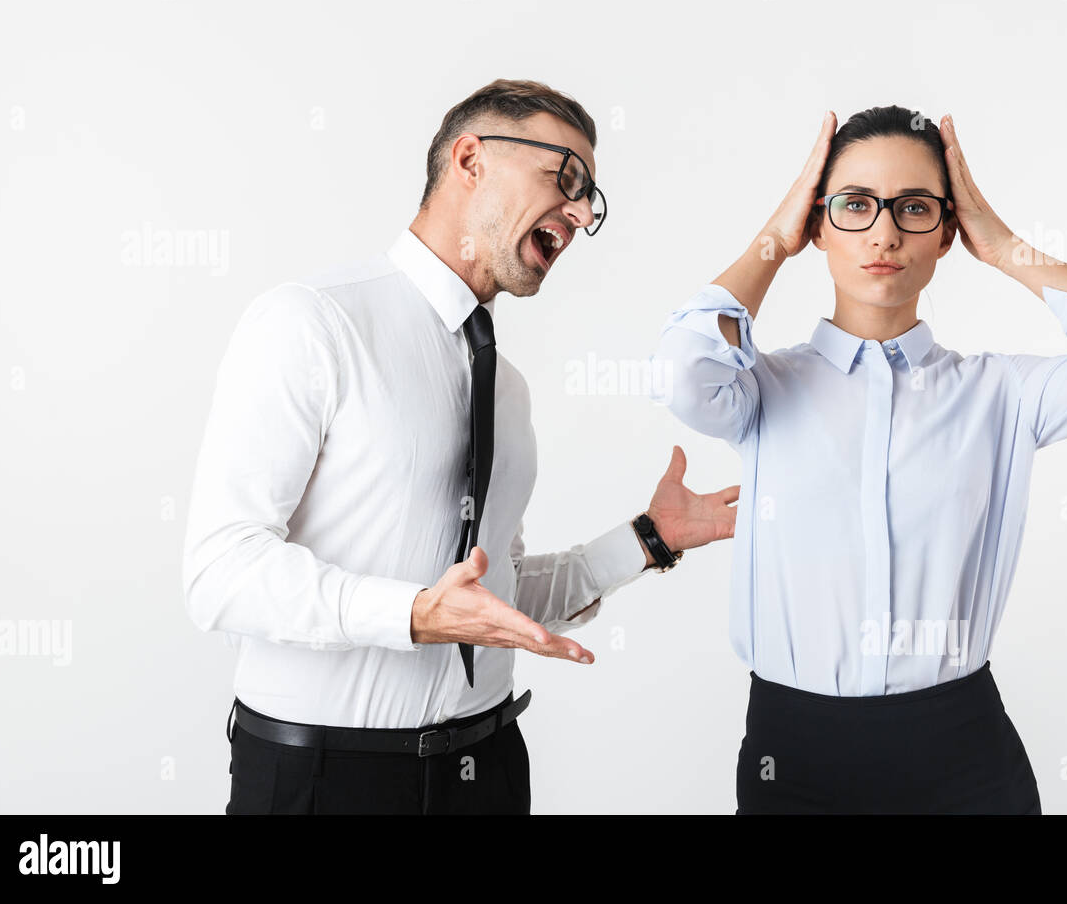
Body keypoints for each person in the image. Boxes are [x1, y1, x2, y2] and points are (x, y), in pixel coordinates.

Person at [182, 79, 739, 814]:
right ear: (469, 158)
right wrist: (410, 614)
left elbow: (488, 601)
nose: (577, 214)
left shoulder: (505, 386)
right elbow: (220, 572)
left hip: (488, 771)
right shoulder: (311, 323)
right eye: (564, 178)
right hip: (327, 781)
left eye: (589, 200)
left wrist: (647, 540)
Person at [651, 105, 1067, 814]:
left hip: (962, 753)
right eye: (855, 206)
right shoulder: (759, 391)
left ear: (948, 232)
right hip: (793, 753)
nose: (884, 233)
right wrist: (773, 243)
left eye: (913, 208)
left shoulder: (1002, 393)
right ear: (819, 224)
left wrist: (1005, 248)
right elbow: (681, 370)